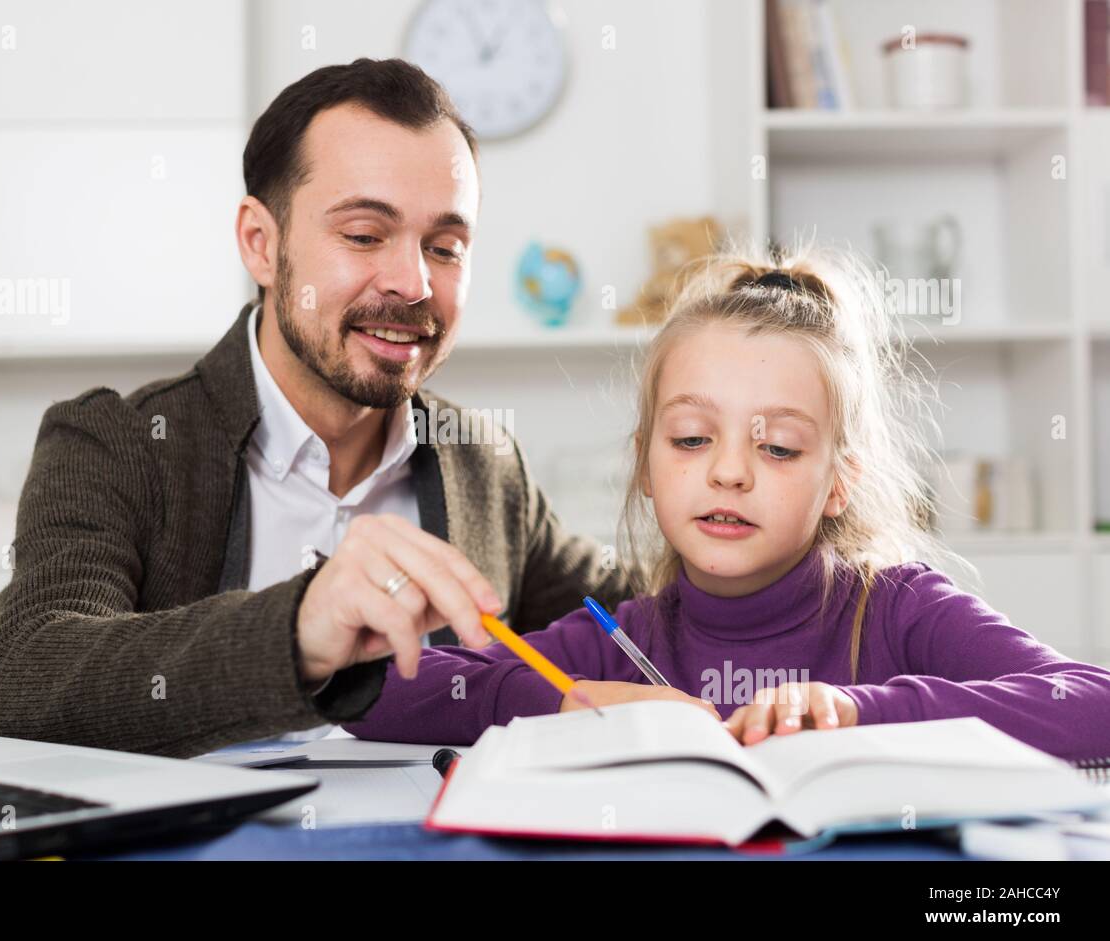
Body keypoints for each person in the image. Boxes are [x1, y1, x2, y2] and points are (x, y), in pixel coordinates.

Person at [0, 59, 627, 757]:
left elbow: (631, 613)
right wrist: (299, 629)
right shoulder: (115, 443)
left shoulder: (484, 461)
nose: (412, 283)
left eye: (445, 247)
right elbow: (23, 678)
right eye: (365, 235)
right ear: (261, 242)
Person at [346, 245, 1110, 761]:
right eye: (689, 439)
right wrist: (559, 700)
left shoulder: (899, 609)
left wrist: (859, 712)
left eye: (777, 447)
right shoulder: (624, 634)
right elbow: (371, 696)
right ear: (646, 462)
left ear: (838, 480)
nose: (730, 473)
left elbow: (1091, 702)